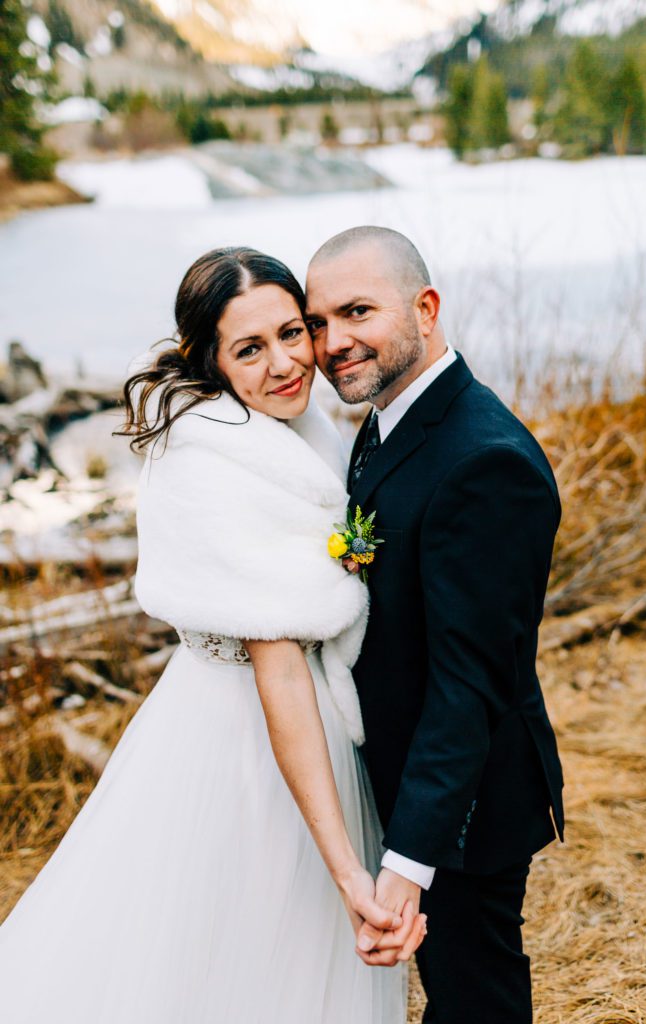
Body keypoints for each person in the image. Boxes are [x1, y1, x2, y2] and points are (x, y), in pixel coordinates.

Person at [0, 247, 421, 1023]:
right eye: (249, 350)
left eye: (292, 333)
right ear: (213, 362)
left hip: (289, 715)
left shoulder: (287, 426)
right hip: (249, 740)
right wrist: (346, 872)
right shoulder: (218, 462)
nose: (286, 363)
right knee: (246, 948)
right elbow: (280, 665)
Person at [305, 226, 565, 1023]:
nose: (331, 343)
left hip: (465, 800)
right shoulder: (389, 420)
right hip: (408, 775)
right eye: (315, 323)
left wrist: (409, 856)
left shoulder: (484, 461)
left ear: (424, 307)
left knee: (473, 995)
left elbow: (469, 683)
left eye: (355, 312)